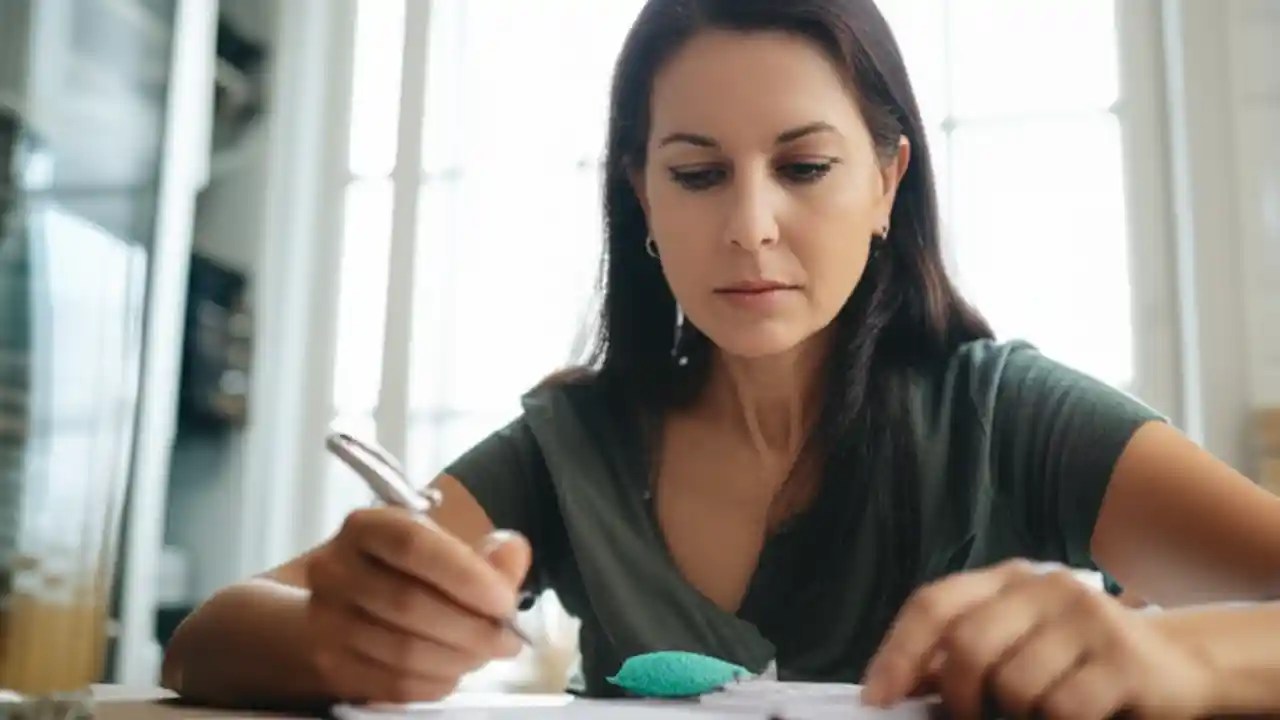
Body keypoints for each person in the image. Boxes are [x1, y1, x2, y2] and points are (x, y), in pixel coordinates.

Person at [162, 0, 1280, 717]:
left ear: (887, 182)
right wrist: (342, 640)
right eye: (695, 174)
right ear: (639, 194)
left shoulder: (1010, 418)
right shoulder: (572, 451)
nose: (747, 226)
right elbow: (206, 638)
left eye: (802, 167)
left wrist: (1181, 664)